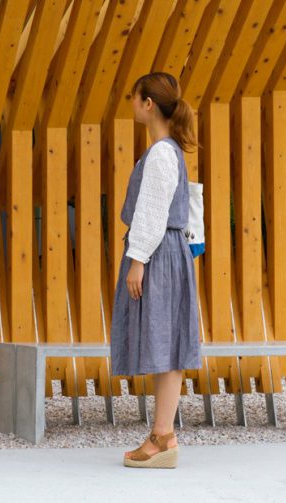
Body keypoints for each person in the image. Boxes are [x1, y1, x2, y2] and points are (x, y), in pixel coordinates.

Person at [110, 72, 201, 469]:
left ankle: (162, 436)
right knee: (169, 342)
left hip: (158, 254)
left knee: (165, 342)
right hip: (168, 253)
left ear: (148, 104)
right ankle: (163, 434)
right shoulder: (169, 150)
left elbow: (151, 212)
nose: (131, 102)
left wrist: (137, 261)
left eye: (134, 96)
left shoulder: (162, 153)